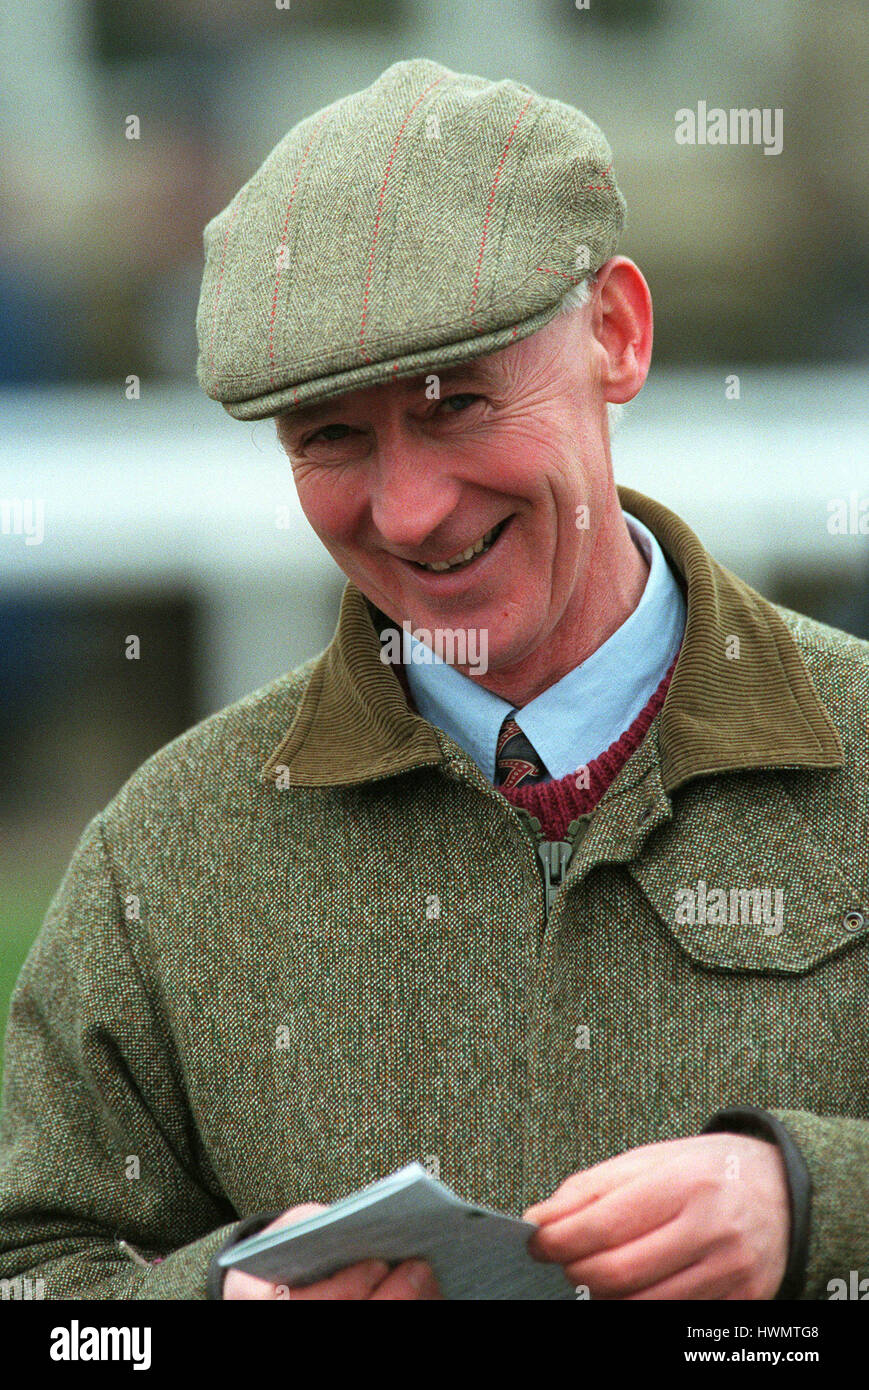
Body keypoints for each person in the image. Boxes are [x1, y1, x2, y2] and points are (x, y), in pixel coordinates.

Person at [1, 58, 867, 1302]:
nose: (408, 513)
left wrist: (813, 1206)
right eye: (331, 439)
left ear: (615, 334)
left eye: (456, 406)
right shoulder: (164, 855)